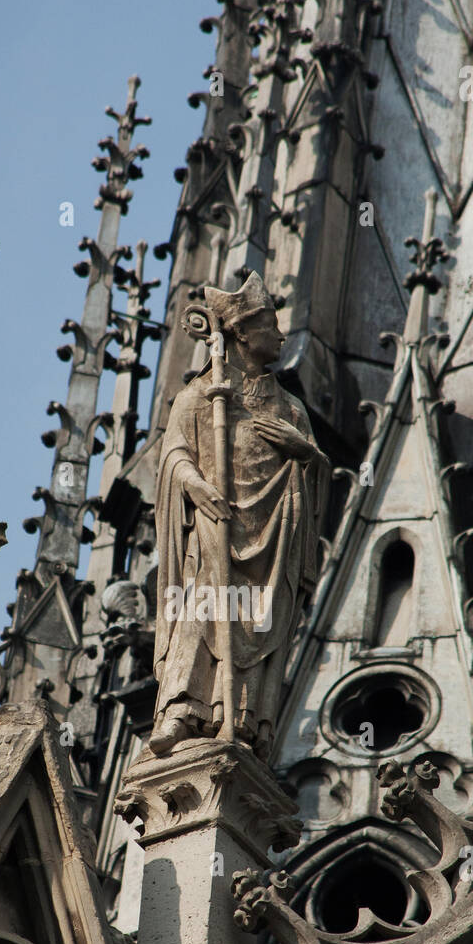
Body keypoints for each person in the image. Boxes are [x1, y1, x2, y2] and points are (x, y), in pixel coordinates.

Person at [150, 271, 325, 760]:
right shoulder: (200, 396)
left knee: (261, 620)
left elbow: (318, 473)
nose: (282, 335)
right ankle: (185, 710)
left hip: (273, 543)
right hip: (214, 527)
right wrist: (195, 483)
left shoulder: (291, 410)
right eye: (271, 326)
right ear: (242, 334)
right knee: (202, 606)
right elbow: (173, 454)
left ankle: (245, 718)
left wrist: (304, 454)